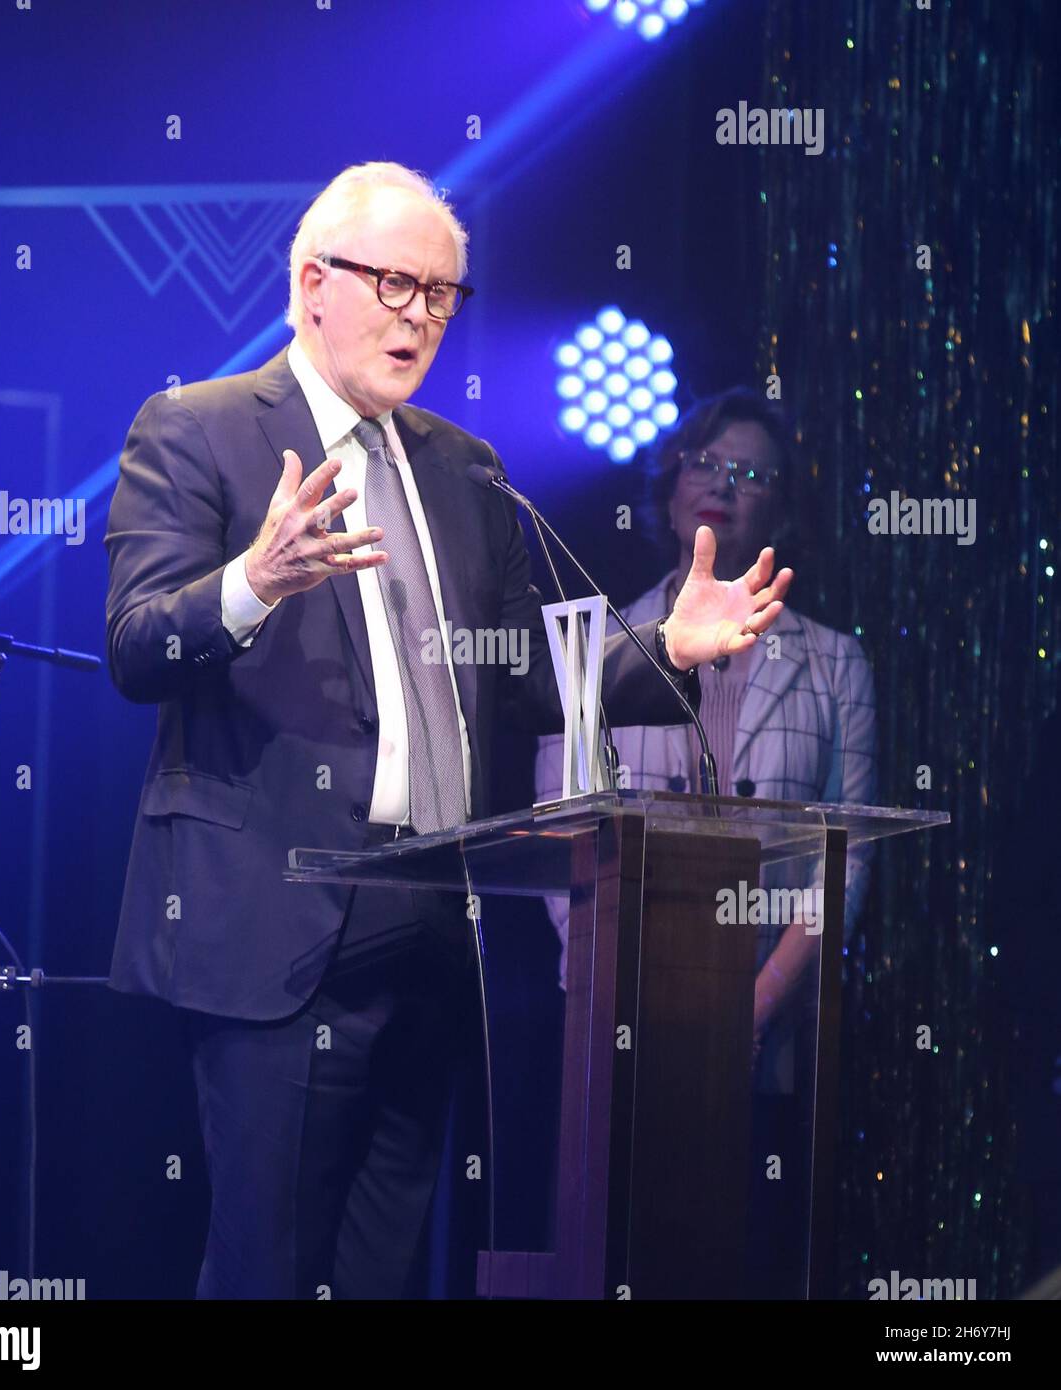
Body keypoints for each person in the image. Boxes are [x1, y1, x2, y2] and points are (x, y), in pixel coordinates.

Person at [103, 165, 793, 1300]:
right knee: (265, 1270)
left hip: (432, 921)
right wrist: (253, 581)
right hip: (275, 921)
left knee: (388, 1272)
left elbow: (521, 678)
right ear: (312, 284)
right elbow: (134, 645)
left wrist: (664, 647)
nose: (419, 314)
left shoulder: (464, 467)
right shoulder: (200, 428)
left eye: (443, 293)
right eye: (394, 284)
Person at [535, 387, 876, 1293]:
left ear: (784, 505)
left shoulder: (836, 662)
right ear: (669, 485)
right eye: (705, 463)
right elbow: (557, 844)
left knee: (744, 1258)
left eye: (751, 473)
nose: (723, 484)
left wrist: (750, 1010)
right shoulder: (596, 644)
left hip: (766, 1029)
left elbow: (849, 862)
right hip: (620, 1028)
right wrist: (620, 1006)